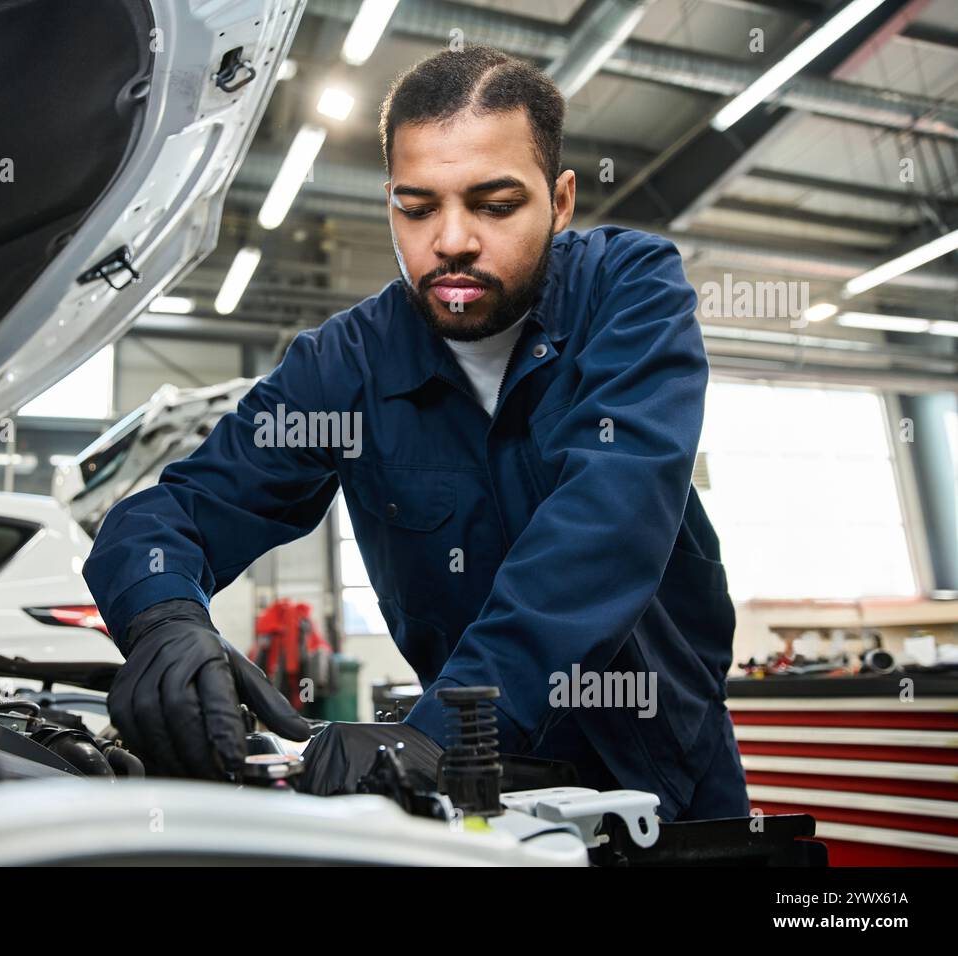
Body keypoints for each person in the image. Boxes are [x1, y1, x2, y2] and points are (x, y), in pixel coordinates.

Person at [83, 45, 749, 822]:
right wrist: (164, 617)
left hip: (668, 757)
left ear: (561, 202)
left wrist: (434, 735)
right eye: (418, 206)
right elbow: (174, 514)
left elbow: (608, 521)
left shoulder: (629, 293)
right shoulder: (345, 367)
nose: (453, 239)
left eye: (495, 205)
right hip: (482, 780)